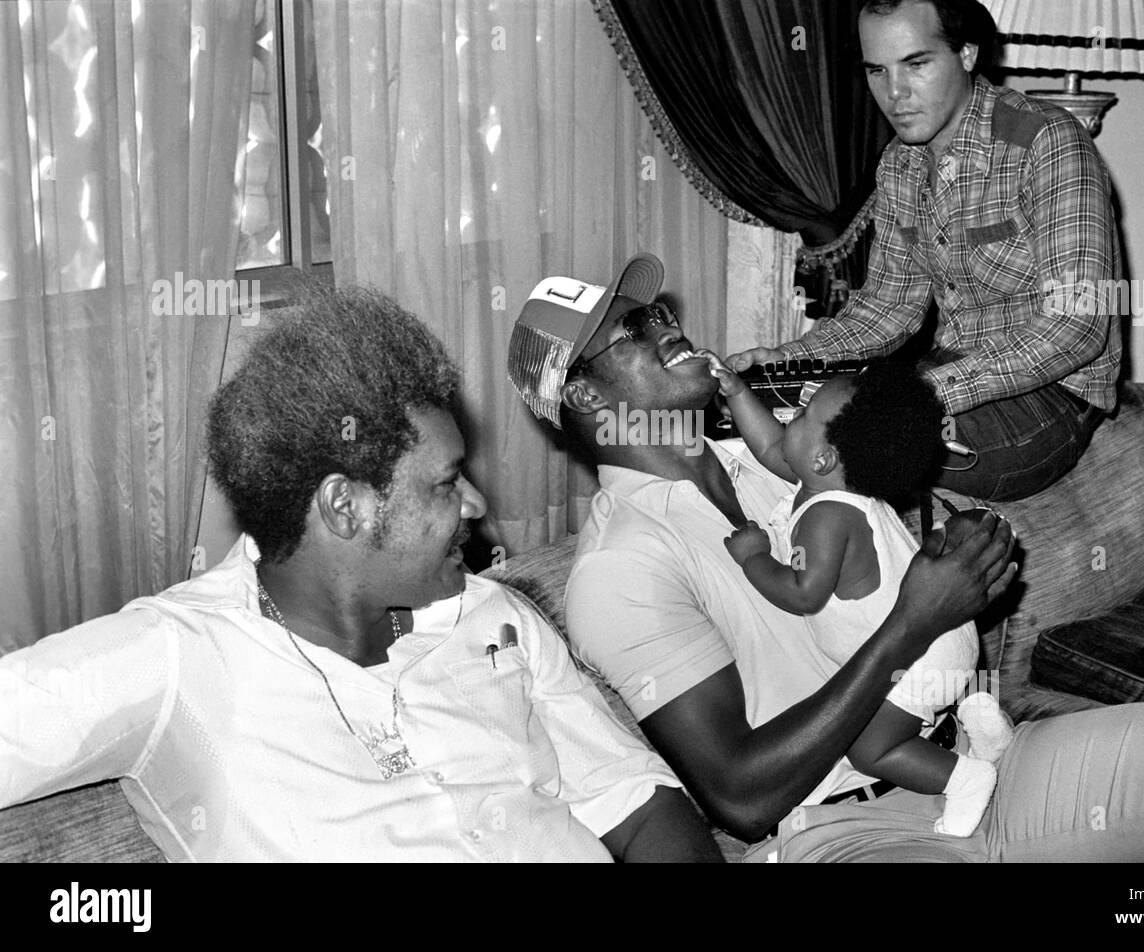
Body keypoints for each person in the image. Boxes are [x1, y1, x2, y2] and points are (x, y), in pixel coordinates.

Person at [508, 253, 1144, 862]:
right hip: (846, 830)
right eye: (634, 330)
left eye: (657, 311)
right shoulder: (621, 566)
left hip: (976, 763)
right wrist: (915, 623)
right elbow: (742, 796)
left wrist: (948, 560)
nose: (665, 325)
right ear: (580, 396)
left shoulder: (771, 456)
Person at [0, 283, 721, 863]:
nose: (476, 503)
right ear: (345, 507)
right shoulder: (177, 659)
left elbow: (640, 805)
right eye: (444, 483)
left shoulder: (497, 619)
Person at [728, 0, 1121, 502]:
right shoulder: (899, 164)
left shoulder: (1048, 143)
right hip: (941, 372)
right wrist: (788, 358)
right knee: (751, 413)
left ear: (968, 53)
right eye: (877, 70)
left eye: (917, 64)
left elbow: (1077, 326)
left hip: (1053, 396)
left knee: (840, 450)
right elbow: (887, 308)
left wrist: (924, 396)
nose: (894, 93)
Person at [710, 356, 1014, 835]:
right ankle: (980, 718)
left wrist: (753, 558)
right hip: (948, 639)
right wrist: (736, 392)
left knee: (870, 748)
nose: (792, 415)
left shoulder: (823, 520)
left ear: (823, 459)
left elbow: (803, 592)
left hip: (918, 657)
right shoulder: (841, 488)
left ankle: (964, 778)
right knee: (922, 705)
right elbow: (771, 444)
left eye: (805, 414)